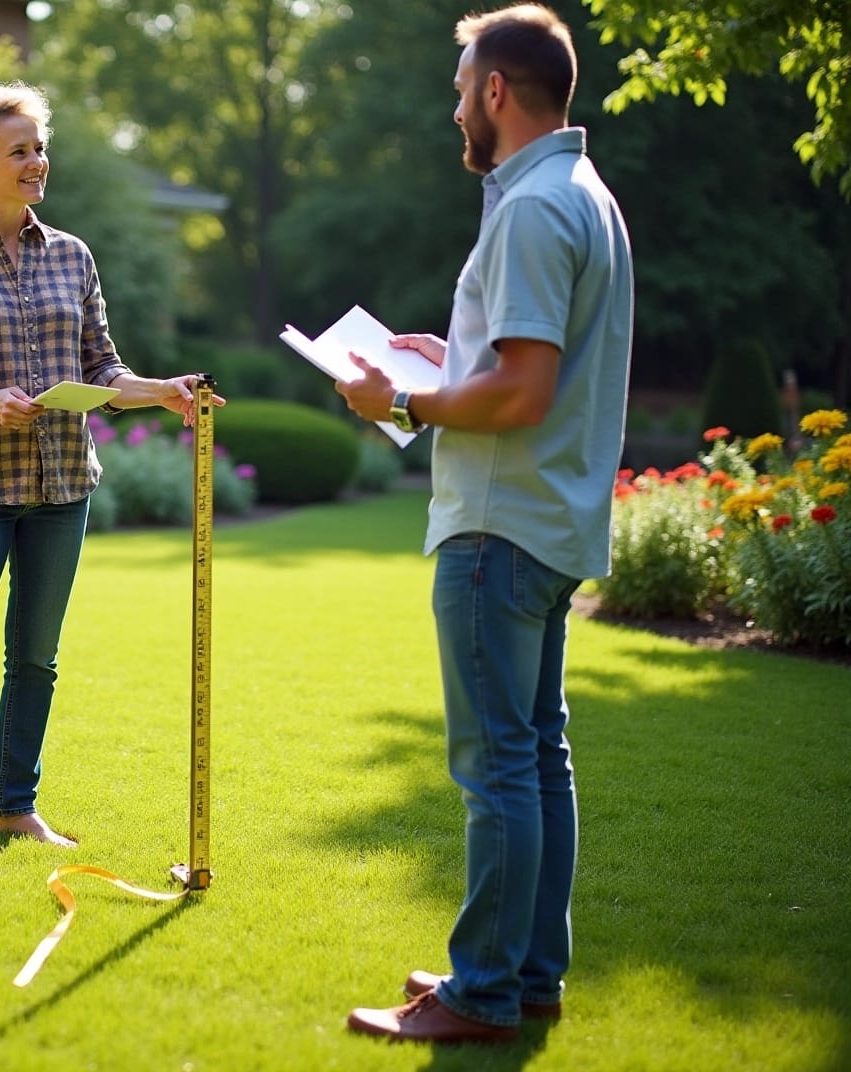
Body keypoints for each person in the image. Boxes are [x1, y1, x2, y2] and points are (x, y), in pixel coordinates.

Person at [335, 4, 634, 1044]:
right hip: (549, 522)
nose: (455, 103)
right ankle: (525, 973)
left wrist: (404, 403)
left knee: (498, 764)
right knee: (537, 755)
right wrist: (443, 357)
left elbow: (521, 392)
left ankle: (483, 991)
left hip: (499, 528)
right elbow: (517, 369)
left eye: (462, 85)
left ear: (496, 92)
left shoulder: (532, 209)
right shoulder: (582, 196)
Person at [0, 82, 223, 852]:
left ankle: (14, 807)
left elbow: (101, 367)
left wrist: (161, 393)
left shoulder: (71, 255)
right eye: (19, 151)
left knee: (35, 659)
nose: (37, 162)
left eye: (40, 148)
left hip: (61, 487)